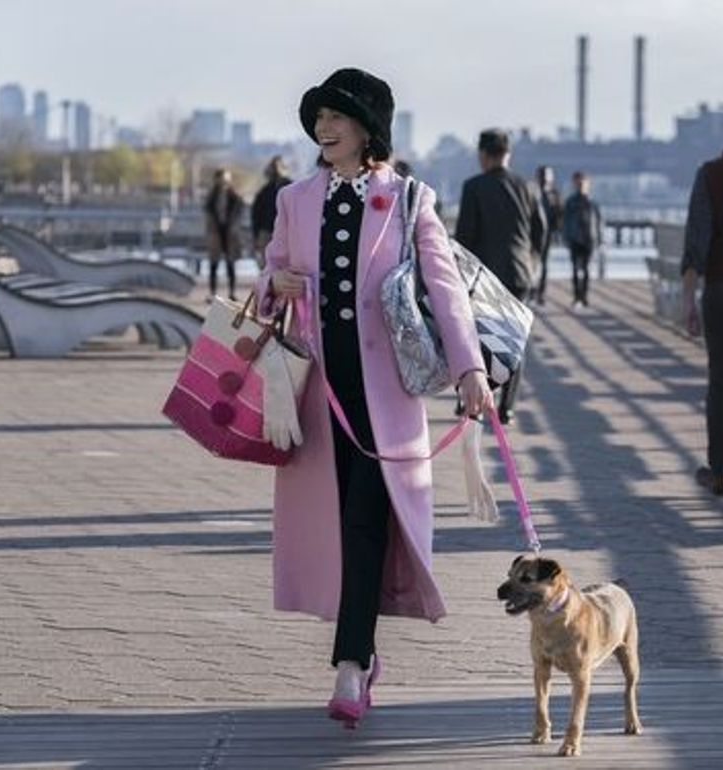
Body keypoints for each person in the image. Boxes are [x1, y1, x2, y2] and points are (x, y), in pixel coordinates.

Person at [256, 67, 492, 726]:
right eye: (318, 119)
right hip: (317, 399)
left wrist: (470, 370)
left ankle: (350, 668)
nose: (322, 129)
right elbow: (267, 276)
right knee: (334, 530)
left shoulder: (410, 198)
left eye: (335, 118)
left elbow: (445, 290)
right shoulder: (294, 199)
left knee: (365, 525)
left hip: (385, 401)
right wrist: (279, 281)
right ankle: (357, 653)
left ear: (366, 128)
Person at [454, 128, 546, 425]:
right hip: (520, 273)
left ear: (483, 155)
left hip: (484, 278)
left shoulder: (474, 187)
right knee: (514, 339)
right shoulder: (528, 187)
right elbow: (541, 230)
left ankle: (474, 402)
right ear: (508, 155)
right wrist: (532, 260)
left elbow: (464, 237)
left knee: (477, 338)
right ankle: (507, 406)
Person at [681, 151, 723, 496]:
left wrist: (688, 300)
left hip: (719, 291)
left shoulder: (711, 175)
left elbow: (697, 241)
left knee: (721, 380)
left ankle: (721, 470)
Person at [563, 171, 602, 308]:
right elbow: (565, 222)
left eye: (582, 183)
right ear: (574, 184)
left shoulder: (592, 203)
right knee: (574, 269)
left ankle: (584, 296)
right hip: (574, 239)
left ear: (587, 184)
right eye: (577, 183)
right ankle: (576, 296)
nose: (580, 186)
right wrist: (566, 237)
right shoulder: (570, 202)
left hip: (588, 239)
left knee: (585, 269)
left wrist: (599, 239)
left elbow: (599, 222)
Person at [203, 168, 244, 301]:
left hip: (229, 233)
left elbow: (239, 212)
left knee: (230, 263)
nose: (223, 183)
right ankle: (212, 292)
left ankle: (232, 292)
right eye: (221, 179)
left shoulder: (234, 197)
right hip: (216, 233)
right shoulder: (211, 197)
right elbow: (208, 213)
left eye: (225, 179)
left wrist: (234, 226)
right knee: (213, 264)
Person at [251, 156, 292, 269]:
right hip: (267, 230)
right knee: (268, 265)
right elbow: (256, 215)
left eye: (279, 167)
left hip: (288, 231)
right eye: (274, 167)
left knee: (287, 264)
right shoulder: (264, 191)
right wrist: (256, 236)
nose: (277, 170)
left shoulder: (293, 188)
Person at [534, 165, 562, 305]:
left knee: (544, 265)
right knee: (532, 264)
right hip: (532, 235)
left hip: (547, 235)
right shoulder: (532, 192)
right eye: (543, 176)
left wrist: (557, 229)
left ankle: (541, 293)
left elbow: (559, 213)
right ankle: (532, 290)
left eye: (548, 176)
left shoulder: (554, 194)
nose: (545, 179)